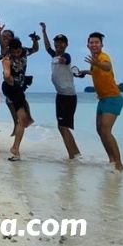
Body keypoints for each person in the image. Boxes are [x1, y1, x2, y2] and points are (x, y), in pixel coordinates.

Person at [80, 32, 123, 171]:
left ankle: (119, 164)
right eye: (91, 42)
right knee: (100, 130)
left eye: (96, 42)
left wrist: (97, 63)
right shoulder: (95, 59)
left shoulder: (103, 57)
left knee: (106, 130)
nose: (94, 45)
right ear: (88, 45)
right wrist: (85, 72)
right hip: (103, 99)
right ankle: (111, 160)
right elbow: (96, 71)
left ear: (101, 44)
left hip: (113, 98)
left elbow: (107, 67)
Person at [0, 35, 39, 161]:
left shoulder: (24, 52)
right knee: (23, 119)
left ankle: (16, 148)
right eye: (13, 52)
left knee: (25, 119)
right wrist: (10, 79)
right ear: (10, 50)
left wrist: (35, 40)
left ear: (20, 48)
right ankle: (15, 148)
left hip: (18, 88)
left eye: (18, 51)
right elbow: (7, 75)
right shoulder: (7, 59)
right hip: (10, 87)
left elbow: (35, 49)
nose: (16, 54)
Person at [41, 22, 80, 160]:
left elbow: (66, 60)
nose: (59, 44)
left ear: (66, 45)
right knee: (61, 126)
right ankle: (76, 153)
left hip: (68, 96)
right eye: (57, 42)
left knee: (63, 127)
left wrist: (63, 59)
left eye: (62, 43)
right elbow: (47, 47)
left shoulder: (66, 56)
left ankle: (72, 157)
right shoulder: (53, 56)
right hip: (61, 95)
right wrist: (44, 31)